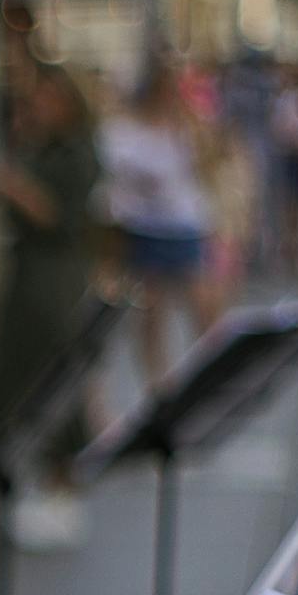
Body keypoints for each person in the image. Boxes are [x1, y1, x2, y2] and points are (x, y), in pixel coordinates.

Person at [0, 62, 104, 530]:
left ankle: (63, 480)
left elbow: (54, 212)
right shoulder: (38, 145)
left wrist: (14, 188)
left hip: (57, 275)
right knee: (13, 373)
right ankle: (8, 475)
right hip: (28, 270)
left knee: (58, 372)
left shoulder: (78, 152)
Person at [98, 57, 214, 380]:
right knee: (151, 310)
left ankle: (206, 371)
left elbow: (208, 163)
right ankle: (157, 381)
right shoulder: (126, 128)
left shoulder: (187, 126)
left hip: (183, 225)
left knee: (200, 303)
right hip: (145, 227)